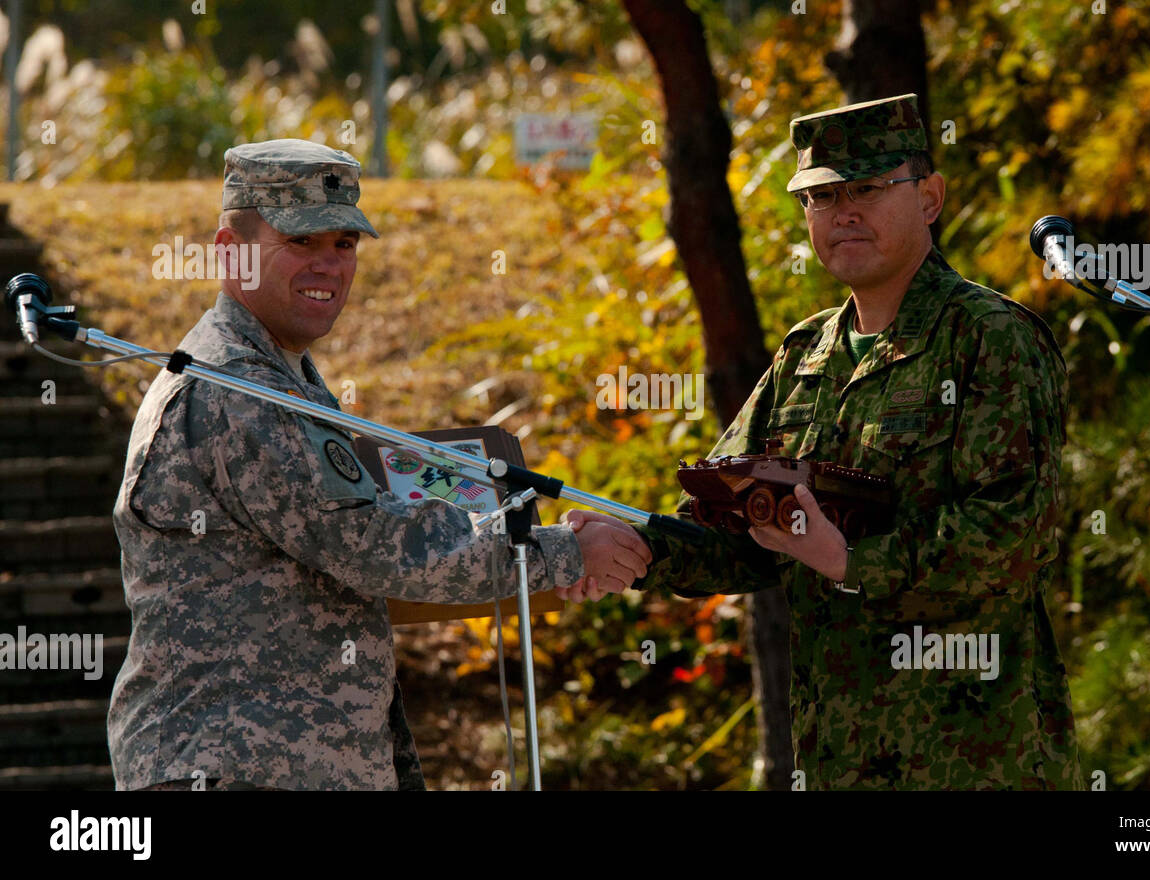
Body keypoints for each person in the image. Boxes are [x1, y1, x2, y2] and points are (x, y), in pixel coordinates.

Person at [571, 94, 1085, 790]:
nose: (843, 212)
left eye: (868, 189)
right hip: (841, 756)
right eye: (822, 195)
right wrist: (634, 546)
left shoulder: (991, 339)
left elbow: (1016, 537)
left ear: (930, 198)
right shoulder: (806, 353)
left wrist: (850, 562)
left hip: (976, 756)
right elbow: (737, 527)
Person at [108, 139, 651, 791]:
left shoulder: (282, 377)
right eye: (301, 242)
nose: (329, 265)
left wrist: (533, 557)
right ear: (231, 251)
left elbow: (356, 560)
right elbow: (380, 546)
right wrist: (561, 554)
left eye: (344, 243)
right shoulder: (238, 392)